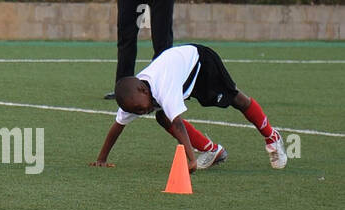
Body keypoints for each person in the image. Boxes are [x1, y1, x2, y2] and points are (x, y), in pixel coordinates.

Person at [91, 43, 288, 172]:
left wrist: (191, 159)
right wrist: (102, 158)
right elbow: (117, 127)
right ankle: (213, 151)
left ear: (144, 89)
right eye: (138, 112)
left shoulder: (162, 88)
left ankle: (272, 137)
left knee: (237, 100)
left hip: (201, 63)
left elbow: (178, 124)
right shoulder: (132, 100)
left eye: (143, 109)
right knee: (162, 117)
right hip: (183, 78)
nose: (144, 112)